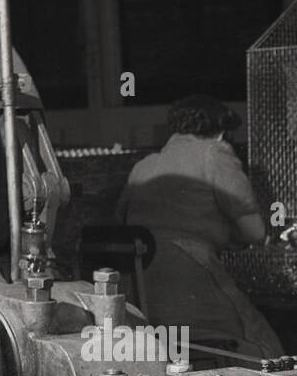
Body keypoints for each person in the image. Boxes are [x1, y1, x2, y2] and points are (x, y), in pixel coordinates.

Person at [116, 94, 281, 360]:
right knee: (262, 345)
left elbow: (123, 219)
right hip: (190, 277)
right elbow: (255, 232)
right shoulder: (215, 155)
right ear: (220, 133)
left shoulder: (144, 166)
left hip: (140, 288)